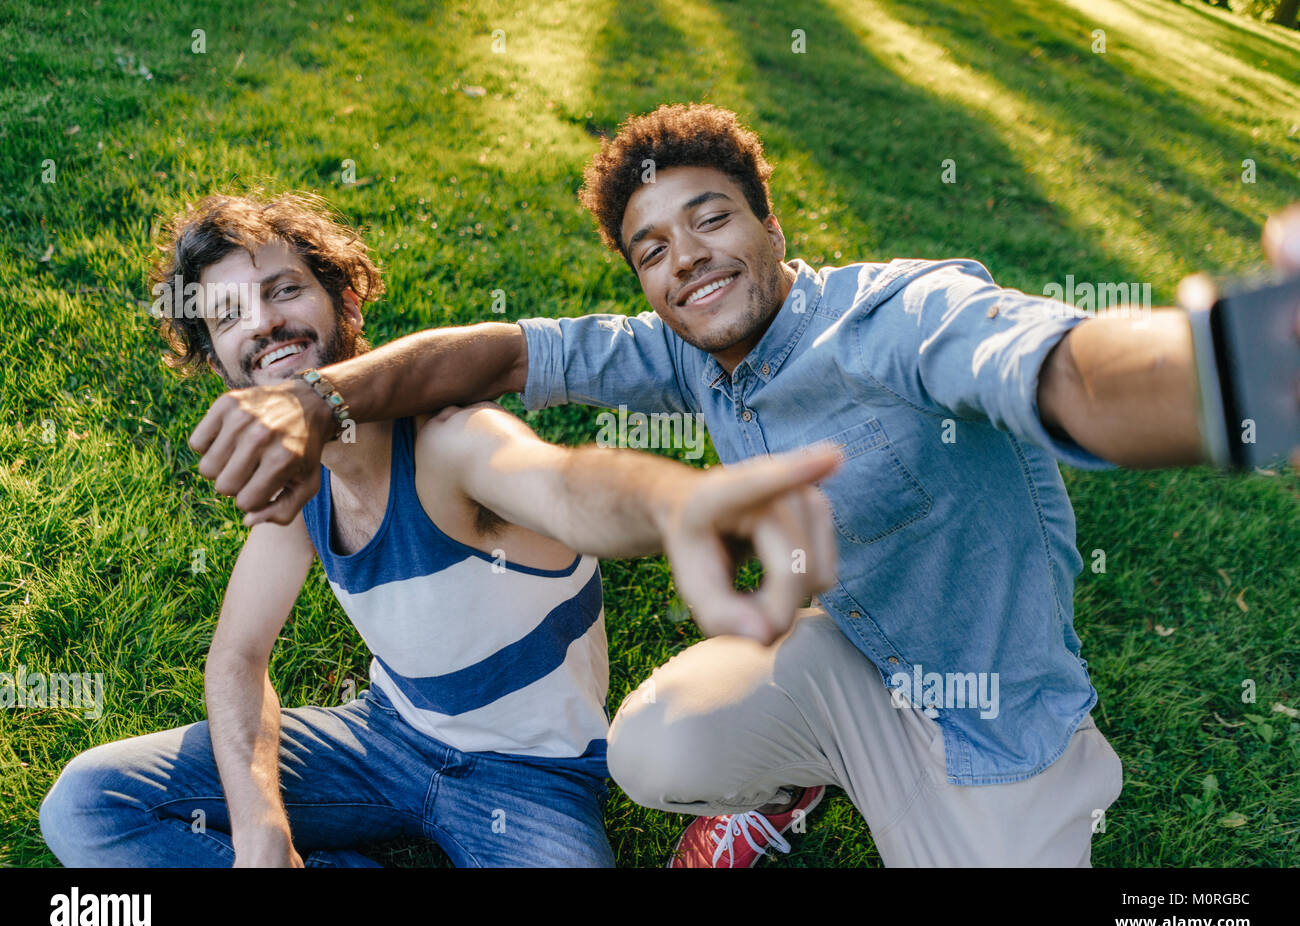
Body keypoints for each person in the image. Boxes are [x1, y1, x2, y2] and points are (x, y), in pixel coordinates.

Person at [185, 105, 1300, 868]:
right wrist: (323, 402)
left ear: (772, 224)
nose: (686, 259)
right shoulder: (685, 350)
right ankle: (788, 793)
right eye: (651, 248)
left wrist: (1233, 368)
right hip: (841, 656)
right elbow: (500, 354)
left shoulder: (894, 316)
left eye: (710, 218)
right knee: (652, 750)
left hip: (996, 722)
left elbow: (1057, 370)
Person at [38, 190, 838, 868]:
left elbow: (563, 485)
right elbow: (237, 656)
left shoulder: (451, 442)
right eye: (230, 316)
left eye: (284, 290)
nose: (265, 324)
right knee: (84, 807)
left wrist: (677, 505)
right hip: (383, 740)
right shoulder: (299, 484)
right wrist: (260, 828)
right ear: (218, 361)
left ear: (344, 302)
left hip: (532, 780)